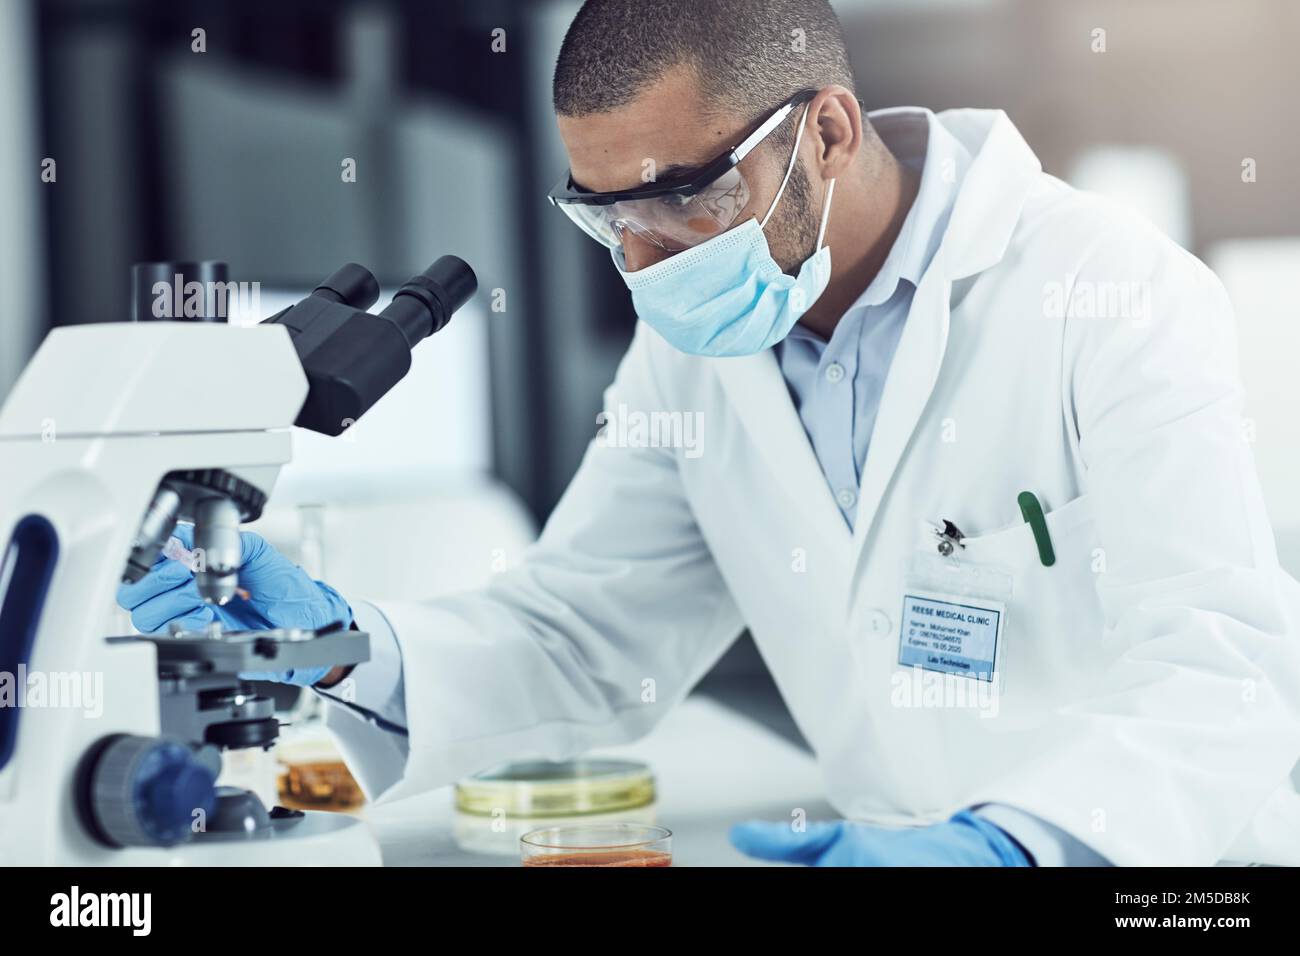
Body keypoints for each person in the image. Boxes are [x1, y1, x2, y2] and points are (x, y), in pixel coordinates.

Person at [118, 0, 1300, 866]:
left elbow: (1223, 668)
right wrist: (342, 643)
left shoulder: (1110, 290)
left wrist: (1009, 841)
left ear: (827, 133)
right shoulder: (694, 347)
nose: (641, 261)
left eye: (681, 196)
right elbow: (584, 631)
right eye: (604, 215)